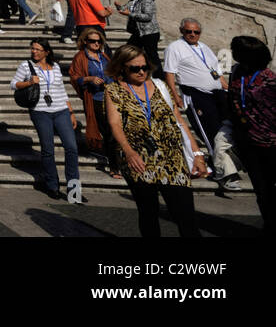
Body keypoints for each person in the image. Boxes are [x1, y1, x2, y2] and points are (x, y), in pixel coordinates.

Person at [105, 43, 208, 237]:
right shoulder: (113, 91)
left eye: (144, 67)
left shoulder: (160, 85)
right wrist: (129, 152)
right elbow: (115, 124)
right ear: (122, 67)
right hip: (139, 159)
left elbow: (180, 121)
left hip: (172, 157)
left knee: (185, 215)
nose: (142, 72)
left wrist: (197, 154)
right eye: (135, 68)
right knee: (149, 213)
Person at [13, 38, 83, 201]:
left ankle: (74, 191)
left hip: (61, 110)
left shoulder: (56, 66)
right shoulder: (26, 66)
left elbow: (62, 90)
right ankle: (52, 186)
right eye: (32, 49)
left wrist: (71, 112)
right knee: (48, 149)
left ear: (47, 51)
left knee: (72, 147)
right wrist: (29, 82)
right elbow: (13, 84)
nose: (34, 52)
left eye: (38, 49)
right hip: (40, 111)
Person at [163, 18, 229, 163]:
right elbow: (169, 73)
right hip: (196, 94)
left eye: (196, 32)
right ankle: (218, 163)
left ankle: (226, 160)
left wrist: (227, 89)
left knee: (223, 129)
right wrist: (174, 95)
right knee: (208, 130)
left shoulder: (205, 47)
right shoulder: (175, 47)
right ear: (182, 31)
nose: (193, 34)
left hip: (217, 94)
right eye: (189, 31)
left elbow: (217, 72)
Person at [228, 35, 276, 233]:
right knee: (261, 190)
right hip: (249, 141)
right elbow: (232, 99)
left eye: (236, 50)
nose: (232, 53)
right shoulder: (237, 72)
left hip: (272, 143)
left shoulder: (269, 78)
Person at [69, 28, 118, 177]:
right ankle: (114, 166)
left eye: (99, 41)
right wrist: (89, 79)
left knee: (114, 130)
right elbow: (74, 76)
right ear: (85, 41)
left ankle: (117, 161)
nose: (96, 43)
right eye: (92, 41)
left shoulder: (104, 56)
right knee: (108, 131)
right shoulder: (80, 58)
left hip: (111, 97)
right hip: (95, 98)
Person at [115, 0, 161, 73]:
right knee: (128, 52)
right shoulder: (134, 0)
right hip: (139, 33)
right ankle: (131, 72)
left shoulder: (147, 0)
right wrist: (118, 6)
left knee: (152, 57)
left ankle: (160, 79)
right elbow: (125, 8)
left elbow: (147, 17)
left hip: (149, 33)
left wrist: (130, 14)